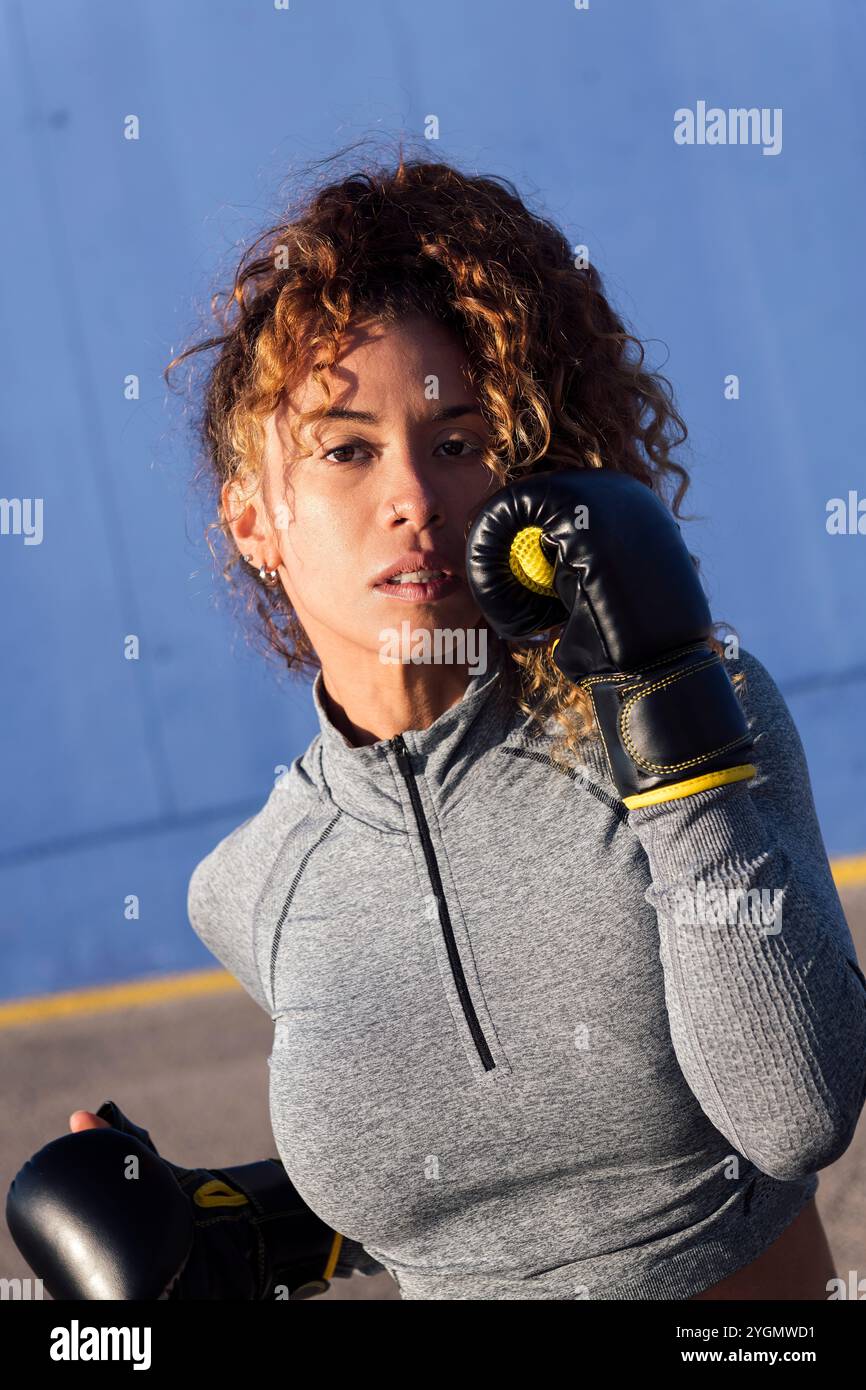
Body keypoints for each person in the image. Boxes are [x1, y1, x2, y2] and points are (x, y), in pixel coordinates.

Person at [24, 149, 866, 1300]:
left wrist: (667, 714)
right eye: (346, 447)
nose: (412, 495)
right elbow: (484, 1162)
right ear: (253, 520)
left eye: (458, 441)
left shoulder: (681, 713)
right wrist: (239, 1224)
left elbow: (790, 1115)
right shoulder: (254, 884)